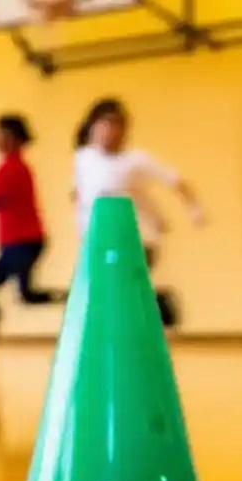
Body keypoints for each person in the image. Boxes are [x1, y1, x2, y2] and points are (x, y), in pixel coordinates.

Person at [73, 97, 204, 327]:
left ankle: (158, 306)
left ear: (124, 131)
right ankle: (151, 307)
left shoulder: (137, 160)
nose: (109, 132)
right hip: (100, 238)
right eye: (103, 125)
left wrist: (194, 210)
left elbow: (175, 182)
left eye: (116, 126)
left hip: (139, 238)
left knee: (121, 283)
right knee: (109, 287)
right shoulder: (83, 159)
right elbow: (82, 196)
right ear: (92, 128)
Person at [0, 114, 63, 355]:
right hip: (17, 242)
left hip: (23, 241)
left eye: (0, 133)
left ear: (12, 138)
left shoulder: (13, 169)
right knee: (14, 292)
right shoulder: (12, 168)